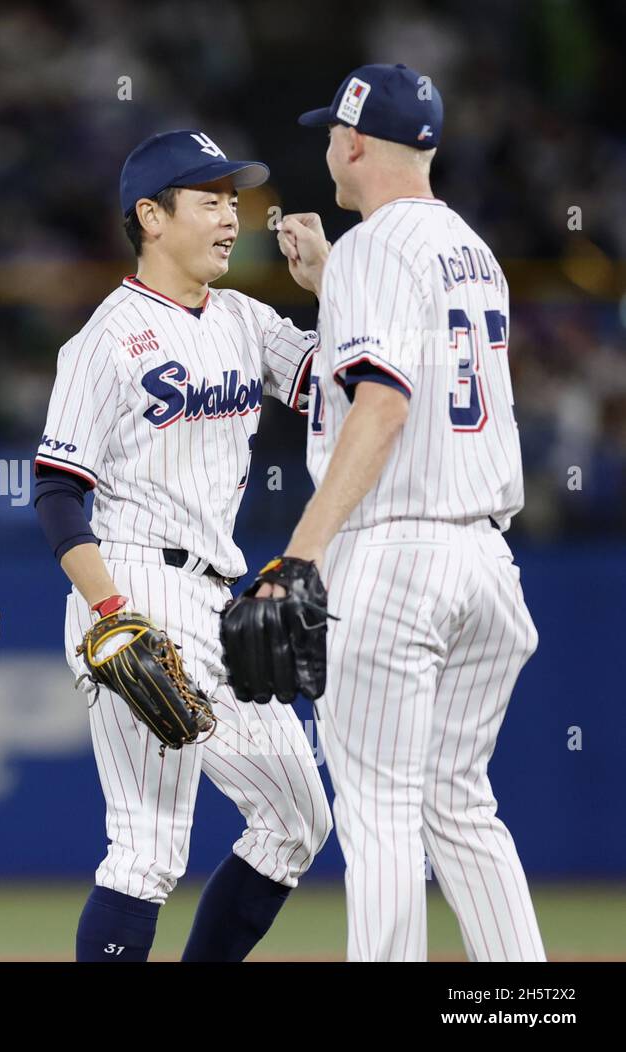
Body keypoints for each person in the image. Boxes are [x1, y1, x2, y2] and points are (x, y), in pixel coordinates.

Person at [237, 63, 544, 960]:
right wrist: (334, 283)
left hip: (398, 556)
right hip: (487, 562)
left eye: (331, 132)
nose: (327, 144)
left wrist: (301, 554)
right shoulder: (472, 249)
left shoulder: (372, 245)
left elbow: (383, 404)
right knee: (460, 803)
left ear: (352, 141)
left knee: (378, 814)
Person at [34, 129, 332, 962]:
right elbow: (58, 492)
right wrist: (114, 617)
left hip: (216, 595)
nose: (232, 217)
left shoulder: (244, 318)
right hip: (132, 582)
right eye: (210, 200)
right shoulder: (106, 339)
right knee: (148, 847)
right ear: (151, 218)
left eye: (235, 200)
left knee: (298, 821)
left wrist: (334, 281)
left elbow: (346, 383)